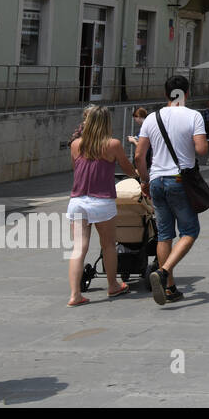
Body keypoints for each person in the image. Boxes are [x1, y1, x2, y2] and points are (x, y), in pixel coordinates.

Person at [134, 75, 208, 306]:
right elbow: (202, 149)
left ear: (166, 94)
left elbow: (138, 155)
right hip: (179, 180)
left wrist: (145, 180)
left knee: (164, 234)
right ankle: (164, 272)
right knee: (190, 231)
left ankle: (170, 288)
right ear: (186, 94)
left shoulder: (152, 117)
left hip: (156, 179)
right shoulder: (194, 116)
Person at [67, 106, 139, 306]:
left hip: (78, 201)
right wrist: (139, 174)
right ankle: (113, 285)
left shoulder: (75, 145)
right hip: (102, 202)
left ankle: (74, 295)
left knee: (78, 249)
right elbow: (128, 170)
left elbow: (77, 170)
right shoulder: (113, 144)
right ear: (106, 122)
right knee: (108, 245)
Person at [126, 106, 152, 171]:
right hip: (146, 157)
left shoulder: (145, 126)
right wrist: (135, 138)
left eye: (135, 119)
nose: (136, 121)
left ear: (139, 116)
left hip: (145, 158)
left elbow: (142, 146)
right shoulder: (148, 125)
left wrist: (133, 141)